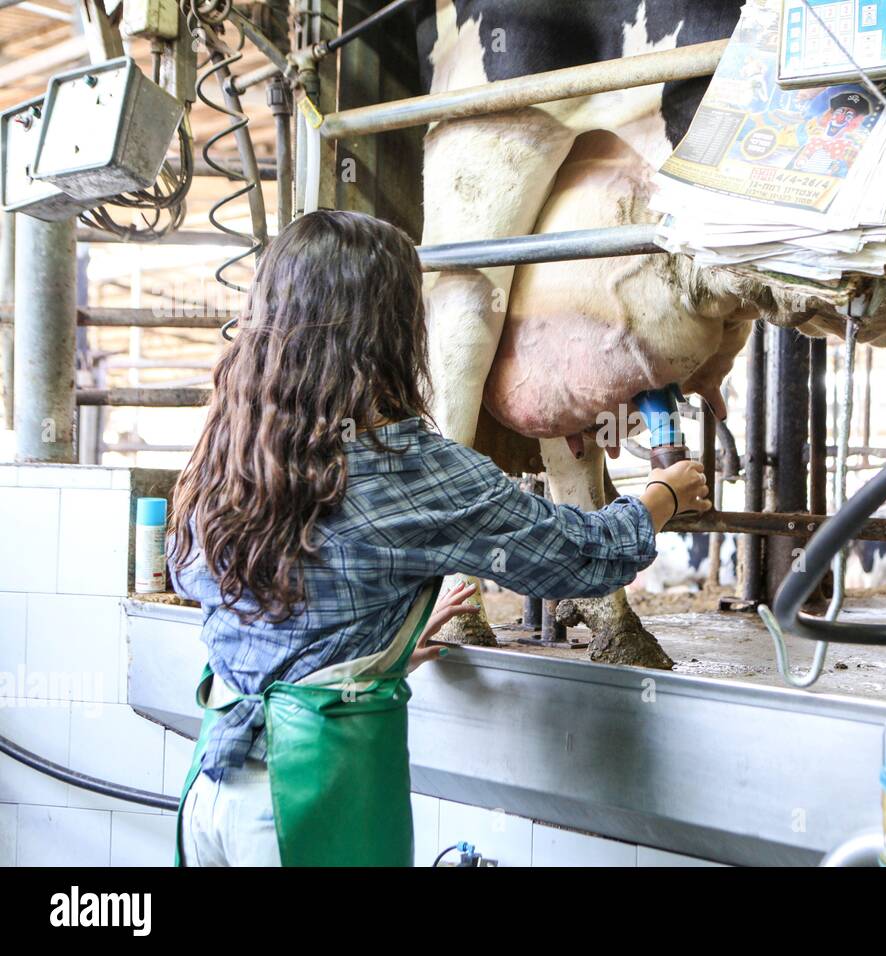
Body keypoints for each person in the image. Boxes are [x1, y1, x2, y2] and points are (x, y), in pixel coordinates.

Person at [168, 210, 711, 866]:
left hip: (210, 792)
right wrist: (662, 498)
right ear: (395, 326)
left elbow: (223, 583)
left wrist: (371, 653)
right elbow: (581, 559)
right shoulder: (407, 464)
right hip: (304, 807)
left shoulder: (234, 439)